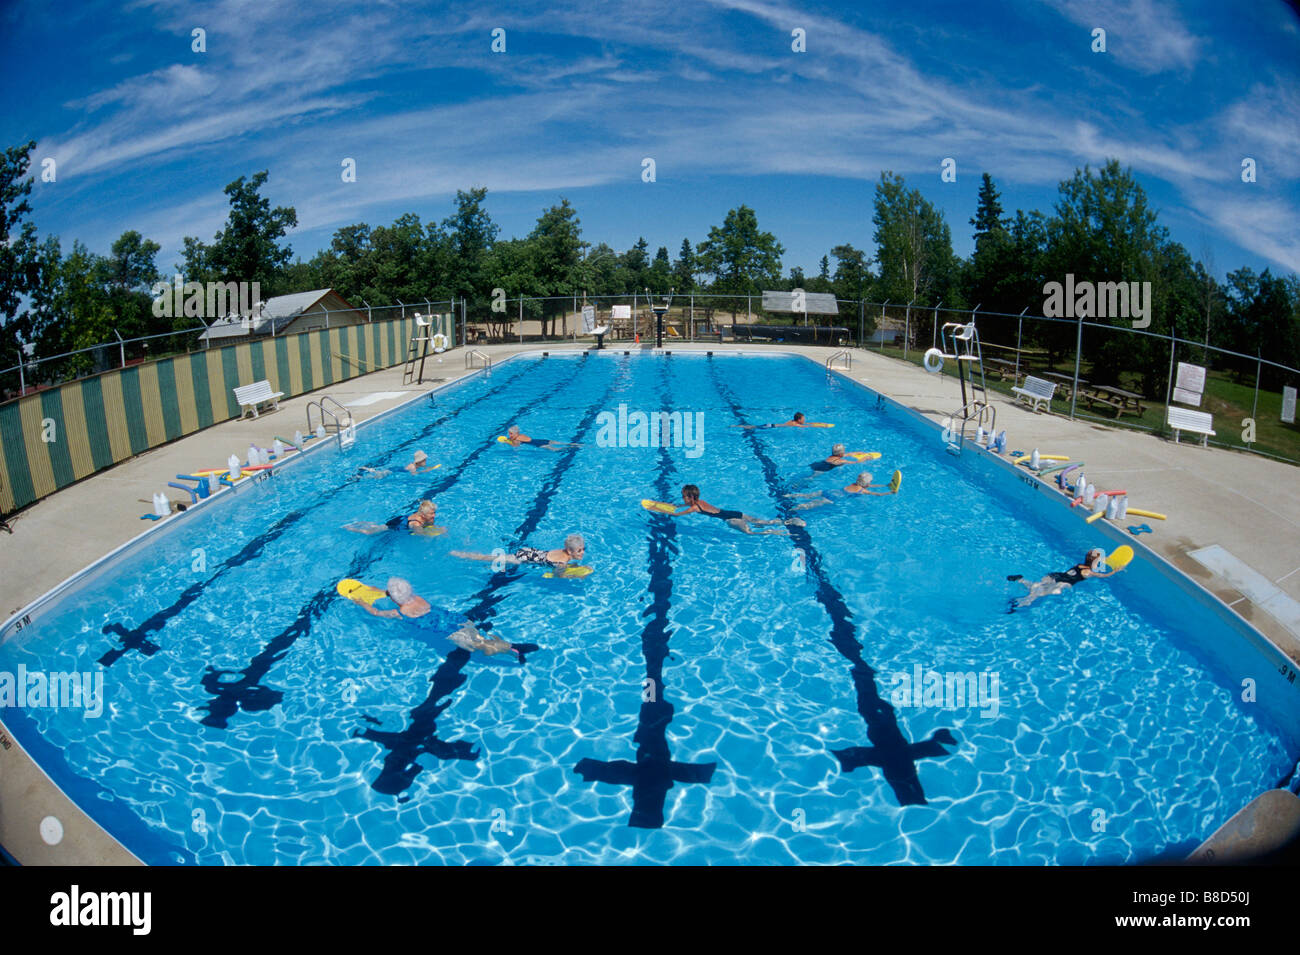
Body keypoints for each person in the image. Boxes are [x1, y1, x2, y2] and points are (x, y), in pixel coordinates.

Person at [348, 577, 534, 662]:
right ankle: (508, 649)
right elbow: (399, 593)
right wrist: (375, 590)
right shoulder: (418, 598)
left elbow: (376, 613)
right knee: (479, 638)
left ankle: (507, 650)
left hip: (450, 632)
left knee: (480, 647)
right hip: (458, 620)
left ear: (393, 599)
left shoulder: (400, 612)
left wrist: (363, 603)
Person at [1007, 548, 1123, 611]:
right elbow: (1104, 575)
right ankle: (1017, 606)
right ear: (1095, 562)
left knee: (1037, 586)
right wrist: (1115, 571)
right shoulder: (1088, 572)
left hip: (1056, 576)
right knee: (1036, 595)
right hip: (1063, 583)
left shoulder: (1079, 565)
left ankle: (1021, 580)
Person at [669, 484, 802, 535]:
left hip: (730, 519)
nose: (682, 498)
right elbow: (685, 506)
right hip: (734, 512)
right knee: (761, 521)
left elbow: (678, 515)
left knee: (750, 532)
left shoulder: (693, 508)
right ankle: (789, 521)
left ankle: (779, 533)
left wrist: (665, 511)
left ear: (690, 497)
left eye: (683, 496)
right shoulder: (699, 502)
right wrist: (677, 506)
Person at [452, 532, 586, 569]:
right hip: (523, 558)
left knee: (493, 559)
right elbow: (558, 575)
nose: (582, 552)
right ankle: (460, 554)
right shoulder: (563, 562)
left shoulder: (563, 551)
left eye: (583, 549)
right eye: (579, 551)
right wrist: (576, 574)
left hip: (529, 551)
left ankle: (464, 552)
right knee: (488, 558)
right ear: (569, 551)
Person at [787, 471, 892, 510]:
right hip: (835, 498)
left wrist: (885, 485)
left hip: (830, 491)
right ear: (867, 484)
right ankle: (793, 510)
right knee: (809, 505)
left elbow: (870, 486)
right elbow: (878, 494)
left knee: (807, 496)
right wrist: (890, 492)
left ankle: (788, 496)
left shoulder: (854, 484)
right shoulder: (862, 490)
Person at [344, 500, 445, 536]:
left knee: (378, 526)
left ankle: (366, 522)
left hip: (402, 518)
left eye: (434, 513)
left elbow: (429, 525)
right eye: (432, 514)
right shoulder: (415, 524)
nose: (434, 515)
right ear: (423, 515)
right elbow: (420, 534)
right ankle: (348, 527)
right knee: (370, 532)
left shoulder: (425, 515)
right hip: (397, 524)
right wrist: (439, 532)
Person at [503, 425, 580, 450]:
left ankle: (572, 447)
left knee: (557, 450)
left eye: (511, 434)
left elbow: (516, 445)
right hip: (544, 440)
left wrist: (506, 441)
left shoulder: (517, 438)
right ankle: (577, 445)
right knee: (565, 443)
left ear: (515, 433)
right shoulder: (521, 435)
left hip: (540, 444)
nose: (510, 435)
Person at [735, 412, 831, 429]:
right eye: (803, 418)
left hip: (771, 425)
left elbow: (807, 423)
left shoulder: (792, 421)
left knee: (754, 427)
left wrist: (818, 423)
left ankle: (740, 426)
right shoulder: (795, 425)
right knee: (753, 427)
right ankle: (738, 426)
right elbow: (806, 426)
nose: (805, 420)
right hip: (770, 427)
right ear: (799, 419)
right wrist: (822, 426)